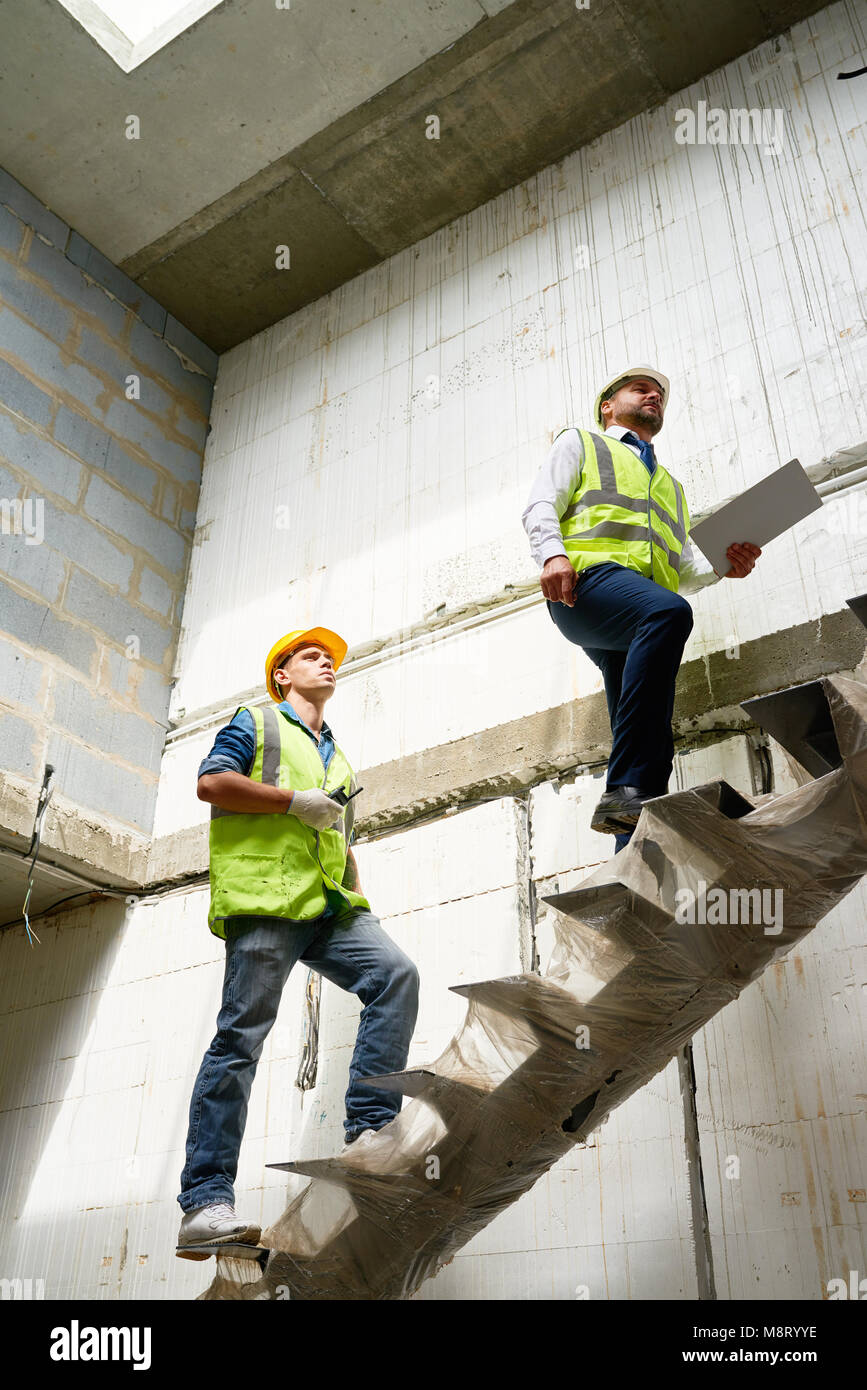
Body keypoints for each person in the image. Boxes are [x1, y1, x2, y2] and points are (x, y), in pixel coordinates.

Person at [175, 626, 419, 1257]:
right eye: (312, 656)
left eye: (331, 659)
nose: (327, 664)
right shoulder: (255, 721)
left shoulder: (338, 757)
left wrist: (358, 893)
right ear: (281, 675)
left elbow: (340, 837)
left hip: (330, 905)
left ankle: (368, 1130)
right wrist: (289, 802)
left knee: (395, 975)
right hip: (266, 901)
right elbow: (210, 784)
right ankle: (205, 1202)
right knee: (240, 1040)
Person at [522, 366, 761, 853]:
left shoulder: (670, 486)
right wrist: (552, 554)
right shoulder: (583, 443)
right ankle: (628, 788)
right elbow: (540, 502)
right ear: (608, 405)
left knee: (645, 721)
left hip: (634, 611)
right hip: (587, 588)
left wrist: (723, 566)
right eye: (641, 389)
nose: (654, 395)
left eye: (660, 395)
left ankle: (631, 856)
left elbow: (682, 567)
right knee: (669, 614)